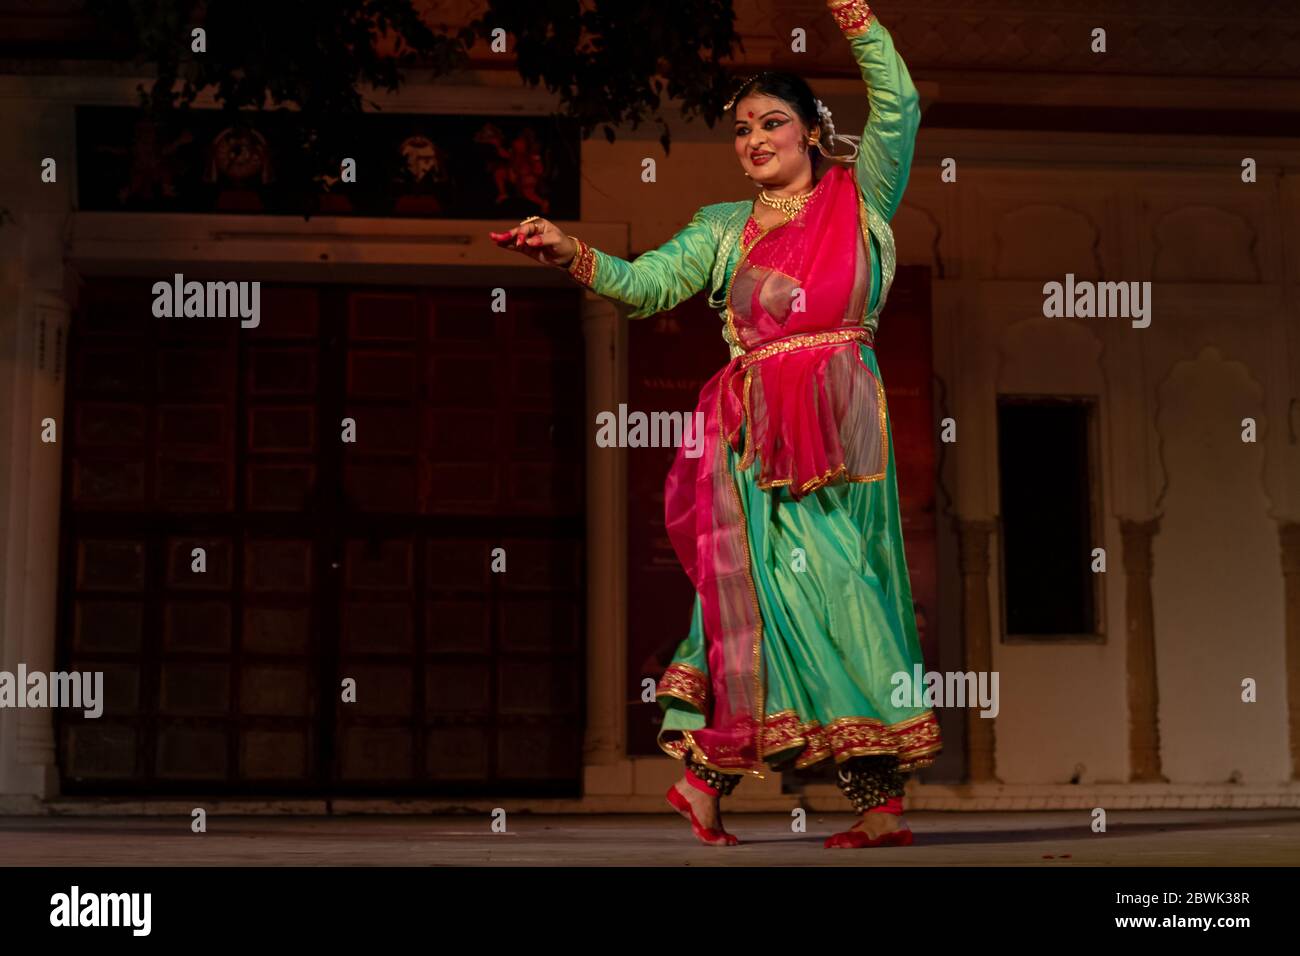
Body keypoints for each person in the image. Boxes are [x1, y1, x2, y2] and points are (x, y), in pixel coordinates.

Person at [490, 0, 940, 849]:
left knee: (846, 589)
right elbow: (648, 284)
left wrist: (851, 14)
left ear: (813, 131)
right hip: (752, 433)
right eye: (741, 130)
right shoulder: (722, 229)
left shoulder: (863, 194)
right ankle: (803, 797)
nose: (754, 139)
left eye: (773, 123)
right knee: (753, 599)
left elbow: (901, 105)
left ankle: (763, 789)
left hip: (842, 427)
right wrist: (569, 252)